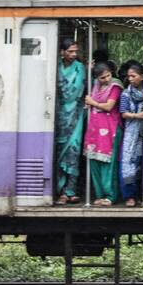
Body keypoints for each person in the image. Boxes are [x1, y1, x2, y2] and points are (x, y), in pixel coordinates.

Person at [85, 62, 124, 205]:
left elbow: (109, 106)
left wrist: (92, 102)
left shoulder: (115, 86)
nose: (107, 79)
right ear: (96, 78)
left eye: (108, 75)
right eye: (102, 78)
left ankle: (110, 195)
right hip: (95, 129)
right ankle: (100, 194)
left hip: (110, 129)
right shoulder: (95, 87)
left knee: (109, 162)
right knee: (95, 161)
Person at [55, 39, 87, 204]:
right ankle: (59, 190)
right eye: (70, 51)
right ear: (62, 52)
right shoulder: (54, 67)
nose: (74, 55)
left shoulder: (80, 68)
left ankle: (70, 190)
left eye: (76, 51)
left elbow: (79, 92)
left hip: (75, 115)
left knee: (73, 151)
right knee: (58, 153)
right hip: (58, 116)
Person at [118, 60, 143, 208]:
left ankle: (140, 194)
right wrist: (138, 116)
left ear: (142, 77)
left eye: (134, 76)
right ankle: (129, 196)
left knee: (141, 161)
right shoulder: (126, 94)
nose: (130, 79)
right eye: (129, 76)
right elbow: (124, 114)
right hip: (131, 132)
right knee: (128, 162)